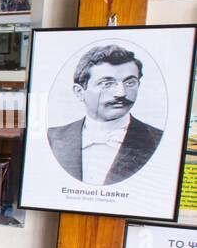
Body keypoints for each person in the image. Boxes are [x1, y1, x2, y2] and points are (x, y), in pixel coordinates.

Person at [47, 44, 164, 187]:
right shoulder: (52, 137)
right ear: (79, 92)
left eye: (130, 82)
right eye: (107, 83)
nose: (121, 93)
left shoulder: (159, 140)